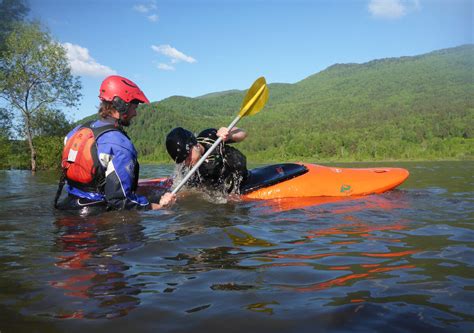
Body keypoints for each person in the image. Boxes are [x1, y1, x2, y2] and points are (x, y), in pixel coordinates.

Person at [55, 75, 175, 212]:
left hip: (66, 206)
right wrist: (159, 206)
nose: (135, 113)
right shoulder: (119, 144)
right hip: (96, 217)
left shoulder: (77, 131)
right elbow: (120, 201)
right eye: (134, 107)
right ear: (121, 105)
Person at [165, 126, 248, 194]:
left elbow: (243, 134)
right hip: (223, 190)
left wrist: (229, 134)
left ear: (194, 145)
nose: (186, 162)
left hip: (242, 179)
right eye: (182, 160)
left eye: (187, 157)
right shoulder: (188, 171)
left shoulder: (209, 137)